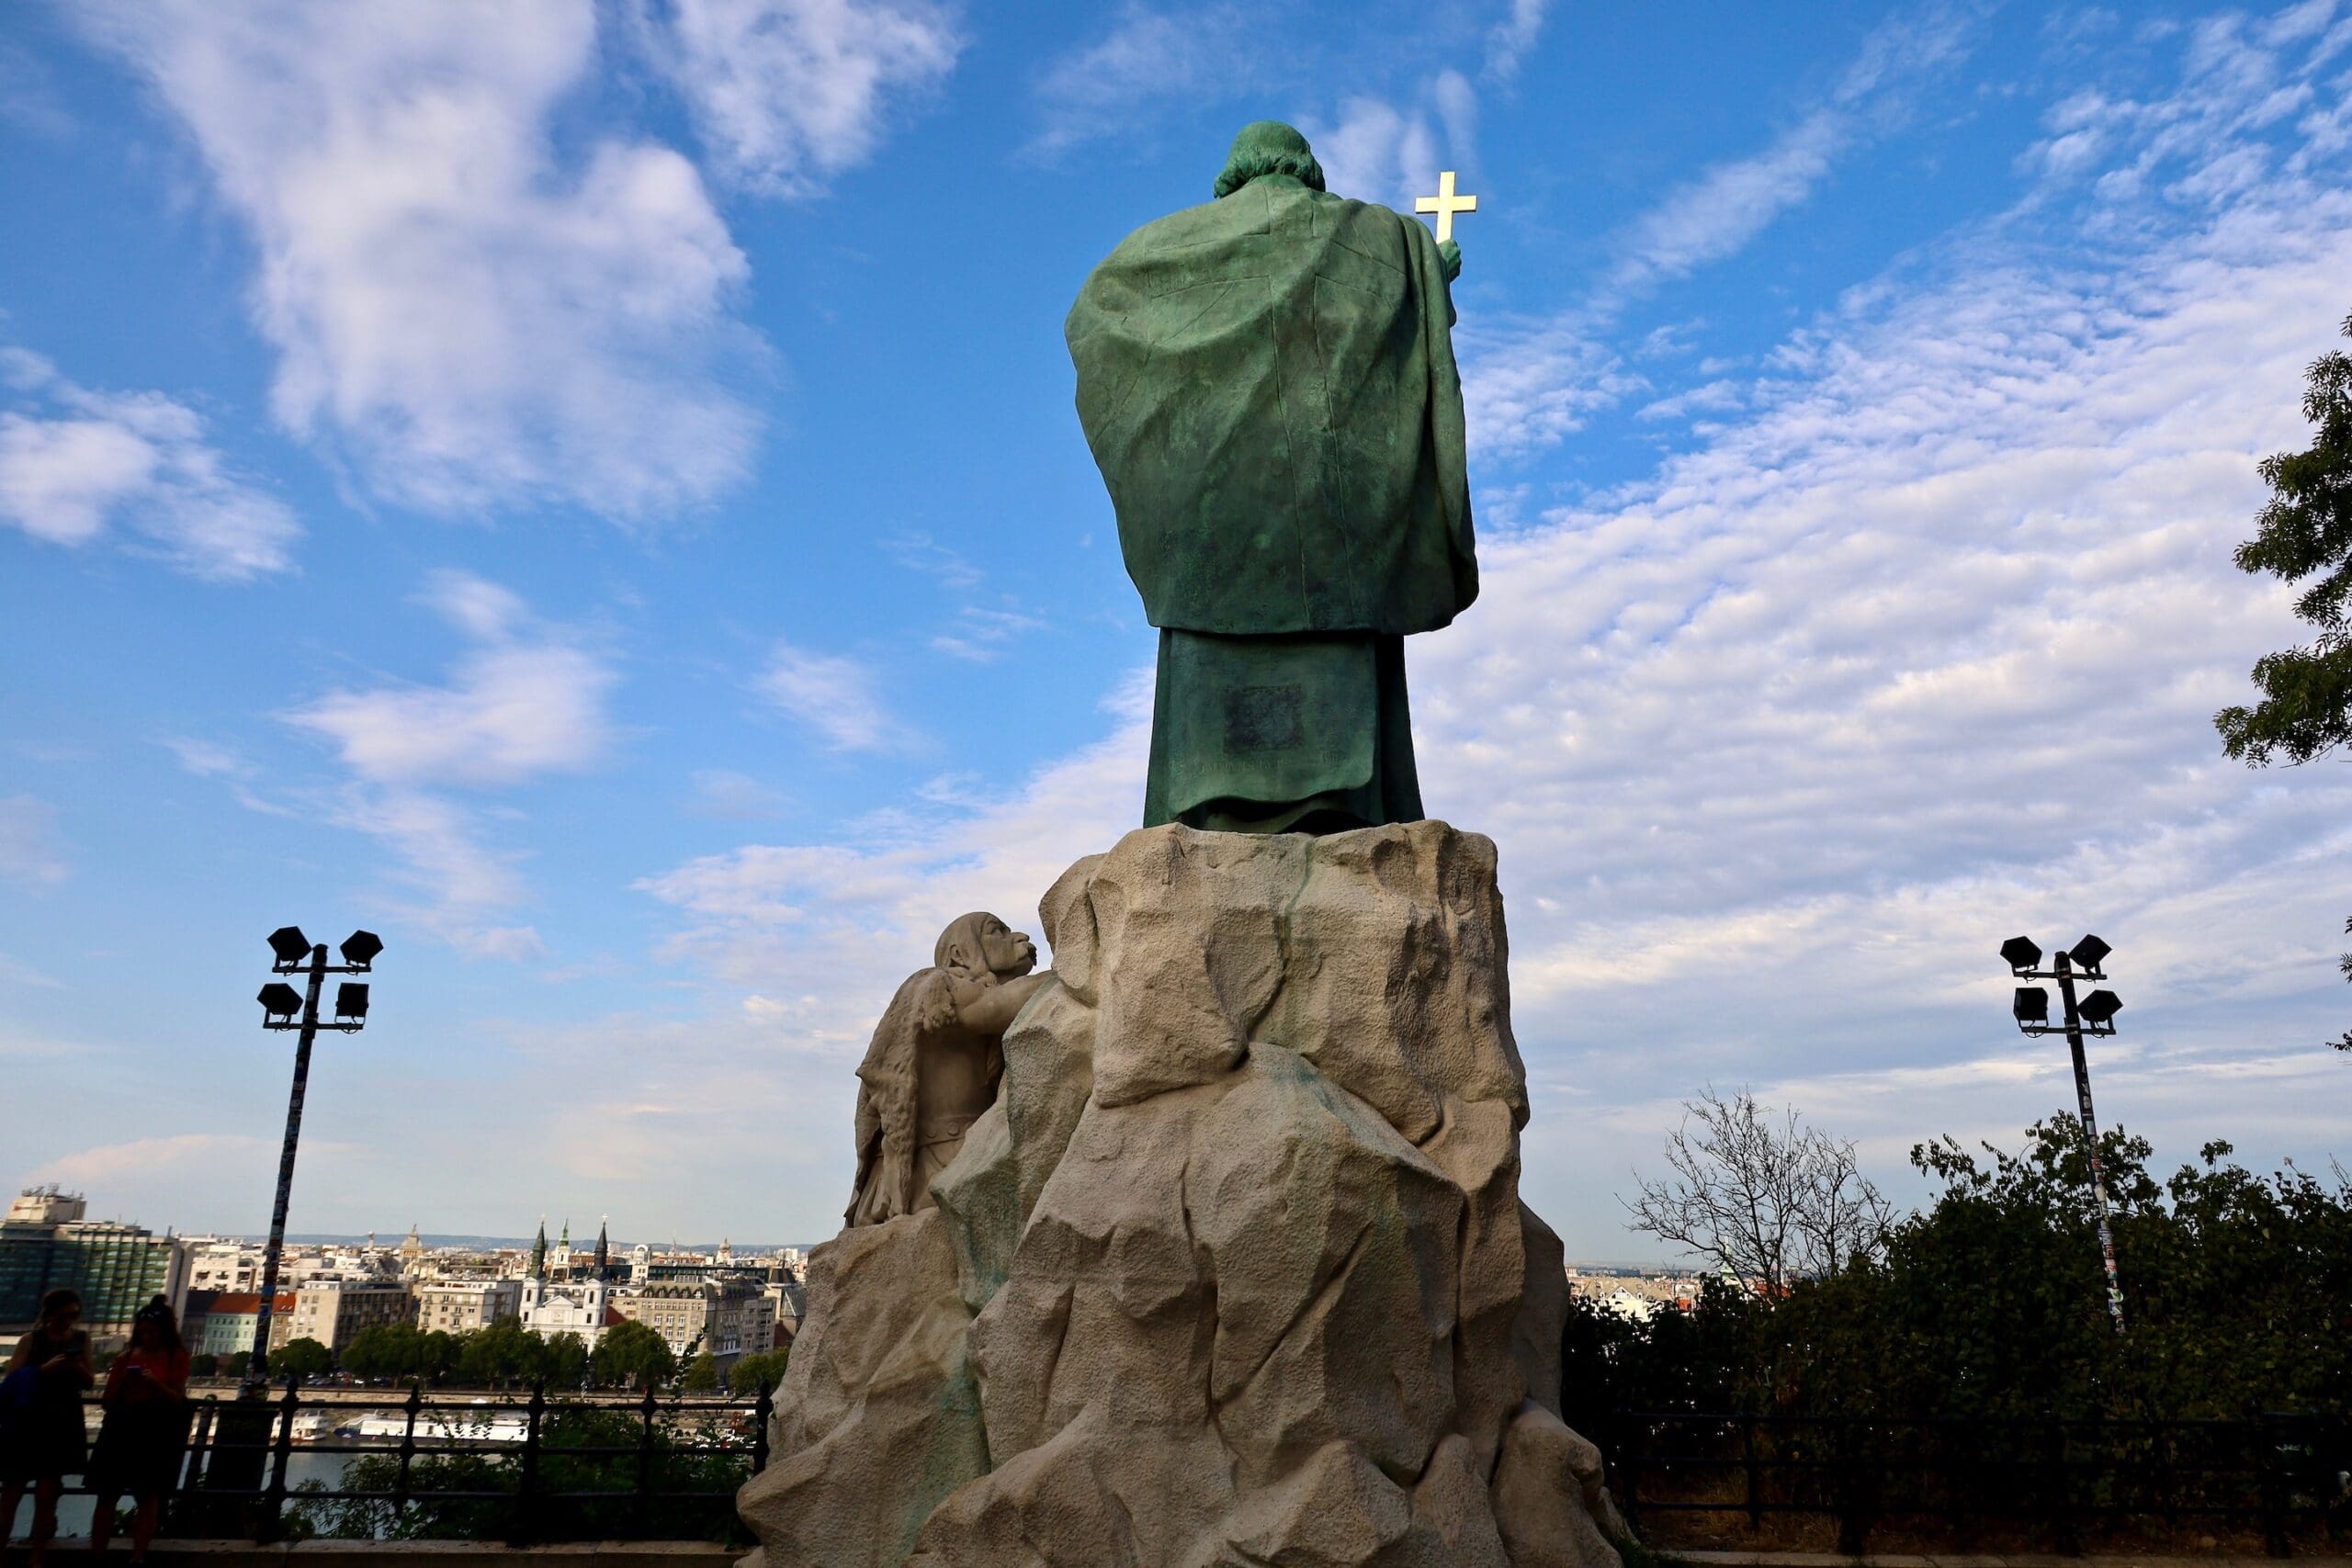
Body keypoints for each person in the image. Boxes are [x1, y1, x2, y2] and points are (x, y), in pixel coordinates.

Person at [1067, 120, 1477, 833]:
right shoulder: (1376, 236)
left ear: (1234, 175)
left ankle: (1214, 806)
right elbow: (1394, 303)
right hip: (1337, 536)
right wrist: (1428, 275)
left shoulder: (1170, 247)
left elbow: (1094, 312)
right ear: (1305, 168)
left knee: (1208, 622)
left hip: (1213, 546)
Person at [845, 912, 1051, 1225]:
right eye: (998, 931)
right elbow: (989, 1008)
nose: (1020, 936)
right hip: (934, 1168)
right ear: (959, 954)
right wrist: (1068, 970)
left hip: (970, 1154)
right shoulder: (936, 985)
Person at [86, 1297, 191, 1563]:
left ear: (163, 1332)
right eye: (143, 1332)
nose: (147, 1337)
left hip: (153, 1428)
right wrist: (122, 1381)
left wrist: (154, 1383)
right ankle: (98, 1554)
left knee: (147, 1495)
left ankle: (138, 1556)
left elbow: (178, 1399)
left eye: (152, 1332)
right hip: (122, 1425)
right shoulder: (124, 1358)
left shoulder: (175, 1357)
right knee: (107, 1494)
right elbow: (107, 1401)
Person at [0, 1289, 94, 1567]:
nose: (69, 1321)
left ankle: (38, 1554)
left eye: (74, 1315)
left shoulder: (82, 1340)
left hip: (60, 1420)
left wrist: (76, 1367)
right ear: (50, 1314)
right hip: (28, 1420)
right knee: (12, 1492)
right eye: (64, 1315)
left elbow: (89, 1381)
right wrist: (44, 1370)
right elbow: (12, 1379)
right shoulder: (31, 1340)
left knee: (46, 1494)